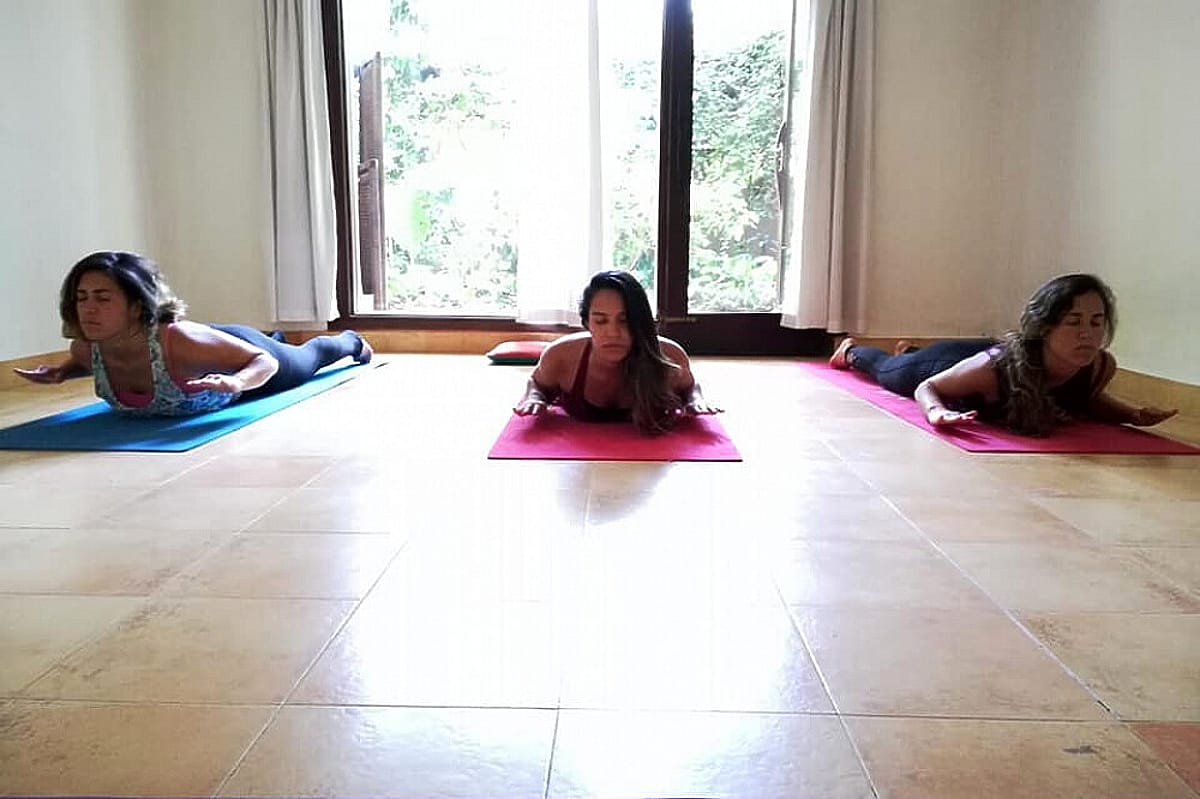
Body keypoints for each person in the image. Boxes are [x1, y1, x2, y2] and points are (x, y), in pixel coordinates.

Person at [14, 251, 373, 416]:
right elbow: (90, 364)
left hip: (246, 358)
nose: (88, 308)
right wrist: (62, 372)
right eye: (81, 298)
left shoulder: (179, 341)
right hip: (208, 354)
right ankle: (270, 335)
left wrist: (239, 382)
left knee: (308, 359)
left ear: (137, 306)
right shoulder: (85, 349)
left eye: (103, 298)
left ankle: (349, 341)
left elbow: (261, 362)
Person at [827, 273, 1177, 436]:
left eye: (1097, 322)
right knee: (891, 370)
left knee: (917, 363)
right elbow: (927, 388)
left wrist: (1133, 414)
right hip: (944, 366)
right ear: (1045, 328)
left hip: (972, 365)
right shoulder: (994, 368)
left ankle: (912, 348)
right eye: (1074, 322)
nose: (1088, 333)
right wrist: (936, 412)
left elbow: (1087, 399)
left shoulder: (1100, 364)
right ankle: (853, 350)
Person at [513, 270, 721, 434]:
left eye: (625, 320)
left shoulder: (669, 356)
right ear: (587, 323)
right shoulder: (561, 355)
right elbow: (537, 383)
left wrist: (695, 400)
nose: (613, 332)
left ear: (640, 322)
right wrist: (534, 398)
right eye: (601, 320)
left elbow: (689, 387)